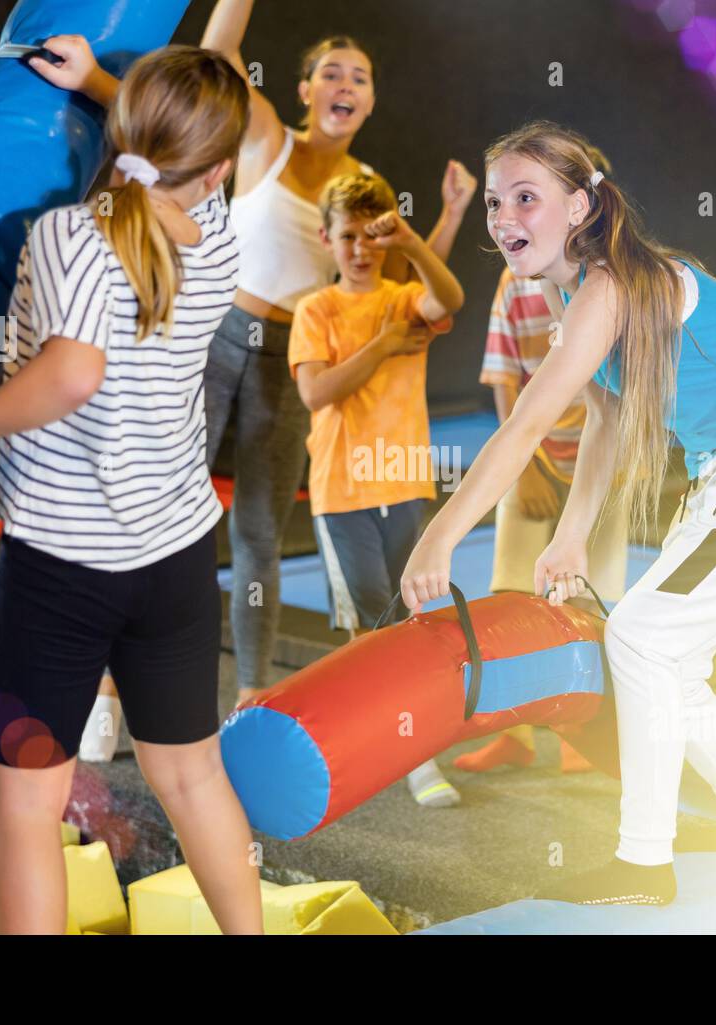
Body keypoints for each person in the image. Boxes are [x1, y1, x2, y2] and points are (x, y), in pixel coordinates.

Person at [399, 120, 716, 906]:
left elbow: (529, 421)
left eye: (528, 198)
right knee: (674, 662)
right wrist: (570, 536)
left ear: (579, 207)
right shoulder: (583, 290)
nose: (505, 216)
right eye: (498, 201)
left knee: (640, 637)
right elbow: (606, 418)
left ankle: (645, 861)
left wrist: (439, 533)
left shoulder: (610, 284)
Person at [0, 47, 263, 934]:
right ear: (214, 170)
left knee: (25, 803)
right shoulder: (218, 237)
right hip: (173, 555)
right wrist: (102, 79)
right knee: (192, 774)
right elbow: (181, 154)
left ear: (129, 124)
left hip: (63, 564)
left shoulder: (71, 235)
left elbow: (71, 374)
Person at [32, 1, 477, 723]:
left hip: (287, 362)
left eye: (359, 77)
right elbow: (211, 61)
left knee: (260, 534)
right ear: (304, 90)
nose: (345, 83)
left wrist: (451, 217)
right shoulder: (265, 137)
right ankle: (111, 689)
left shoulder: (360, 184)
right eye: (330, 71)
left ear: (369, 100)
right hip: (213, 333)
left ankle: (251, 700)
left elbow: (414, 291)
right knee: (165, 503)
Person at [289, 171, 466, 807]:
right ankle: (396, 748)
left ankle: (412, 747)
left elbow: (450, 297)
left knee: (415, 621)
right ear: (326, 238)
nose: (360, 248)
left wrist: (417, 243)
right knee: (369, 629)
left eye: (372, 236)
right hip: (343, 491)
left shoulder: (402, 297)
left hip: (407, 484)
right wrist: (386, 346)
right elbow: (315, 392)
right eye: (347, 237)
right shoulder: (317, 310)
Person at [452, 263, 629, 776]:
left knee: (586, 604)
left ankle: (581, 734)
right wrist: (523, 468)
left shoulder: (614, 286)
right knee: (511, 601)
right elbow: (505, 373)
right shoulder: (515, 283)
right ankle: (517, 734)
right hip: (536, 456)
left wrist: (627, 458)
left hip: (602, 463)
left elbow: (635, 378)